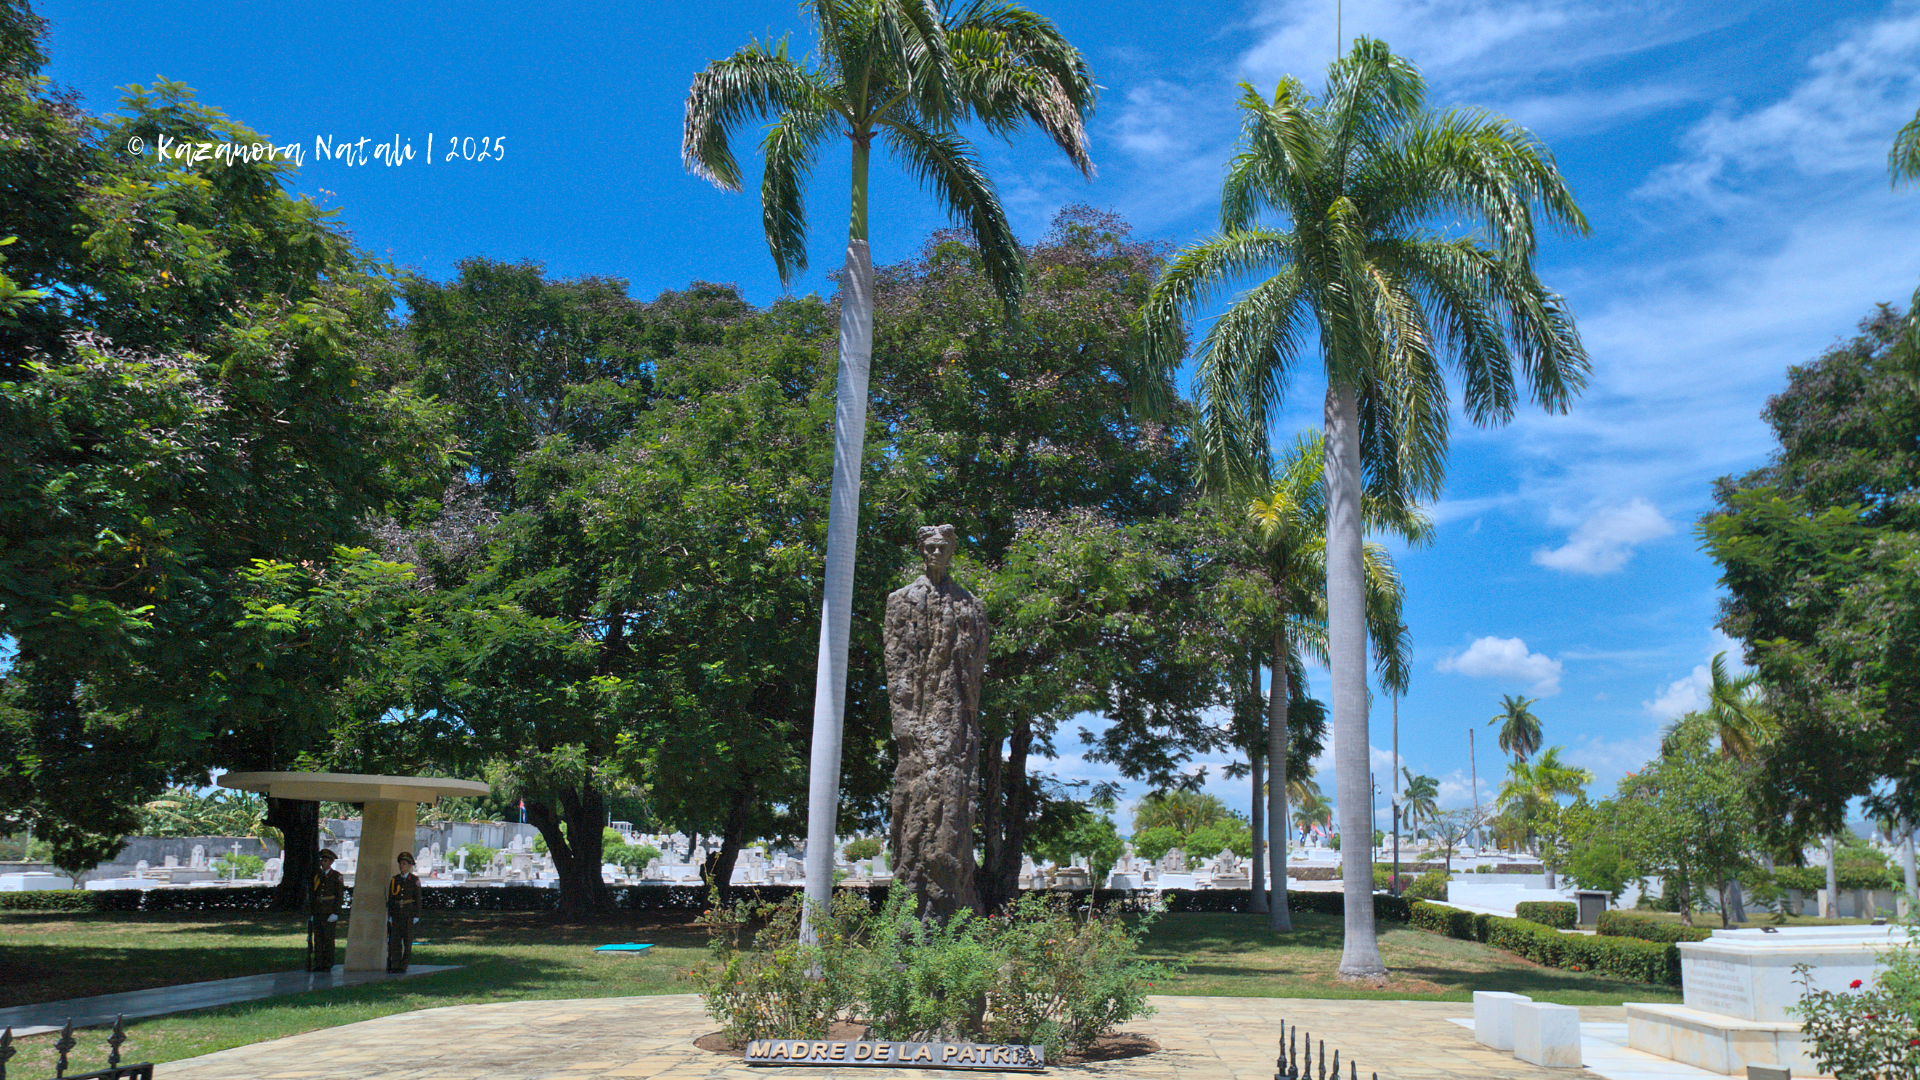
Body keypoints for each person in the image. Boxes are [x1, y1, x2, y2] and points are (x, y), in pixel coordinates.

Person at [307, 849, 345, 972]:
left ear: (331, 862)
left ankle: (328, 963)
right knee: (318, 939)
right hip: (318, 911)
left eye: (326, 861)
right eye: (322, 860)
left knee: (328, 939)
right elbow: (314, 895)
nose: (323, 863)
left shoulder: (336, 876)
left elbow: (339, 896)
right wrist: (312, 912)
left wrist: (336, 912)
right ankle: (318, 963)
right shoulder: (318, 876)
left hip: (329, 912)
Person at [386, 850, 422, 973]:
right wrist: (390, 914)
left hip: (408, 914)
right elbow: (391, 899)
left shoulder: (414, 880)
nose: (402, 866)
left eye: (405, 864)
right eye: (401, 864)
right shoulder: (395, 880)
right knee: (395, 941)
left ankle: (403, 965)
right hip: (396, 915)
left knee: (407, 942)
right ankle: (395, 965)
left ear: (410, 866)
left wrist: (416, 915)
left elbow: (417, 899)